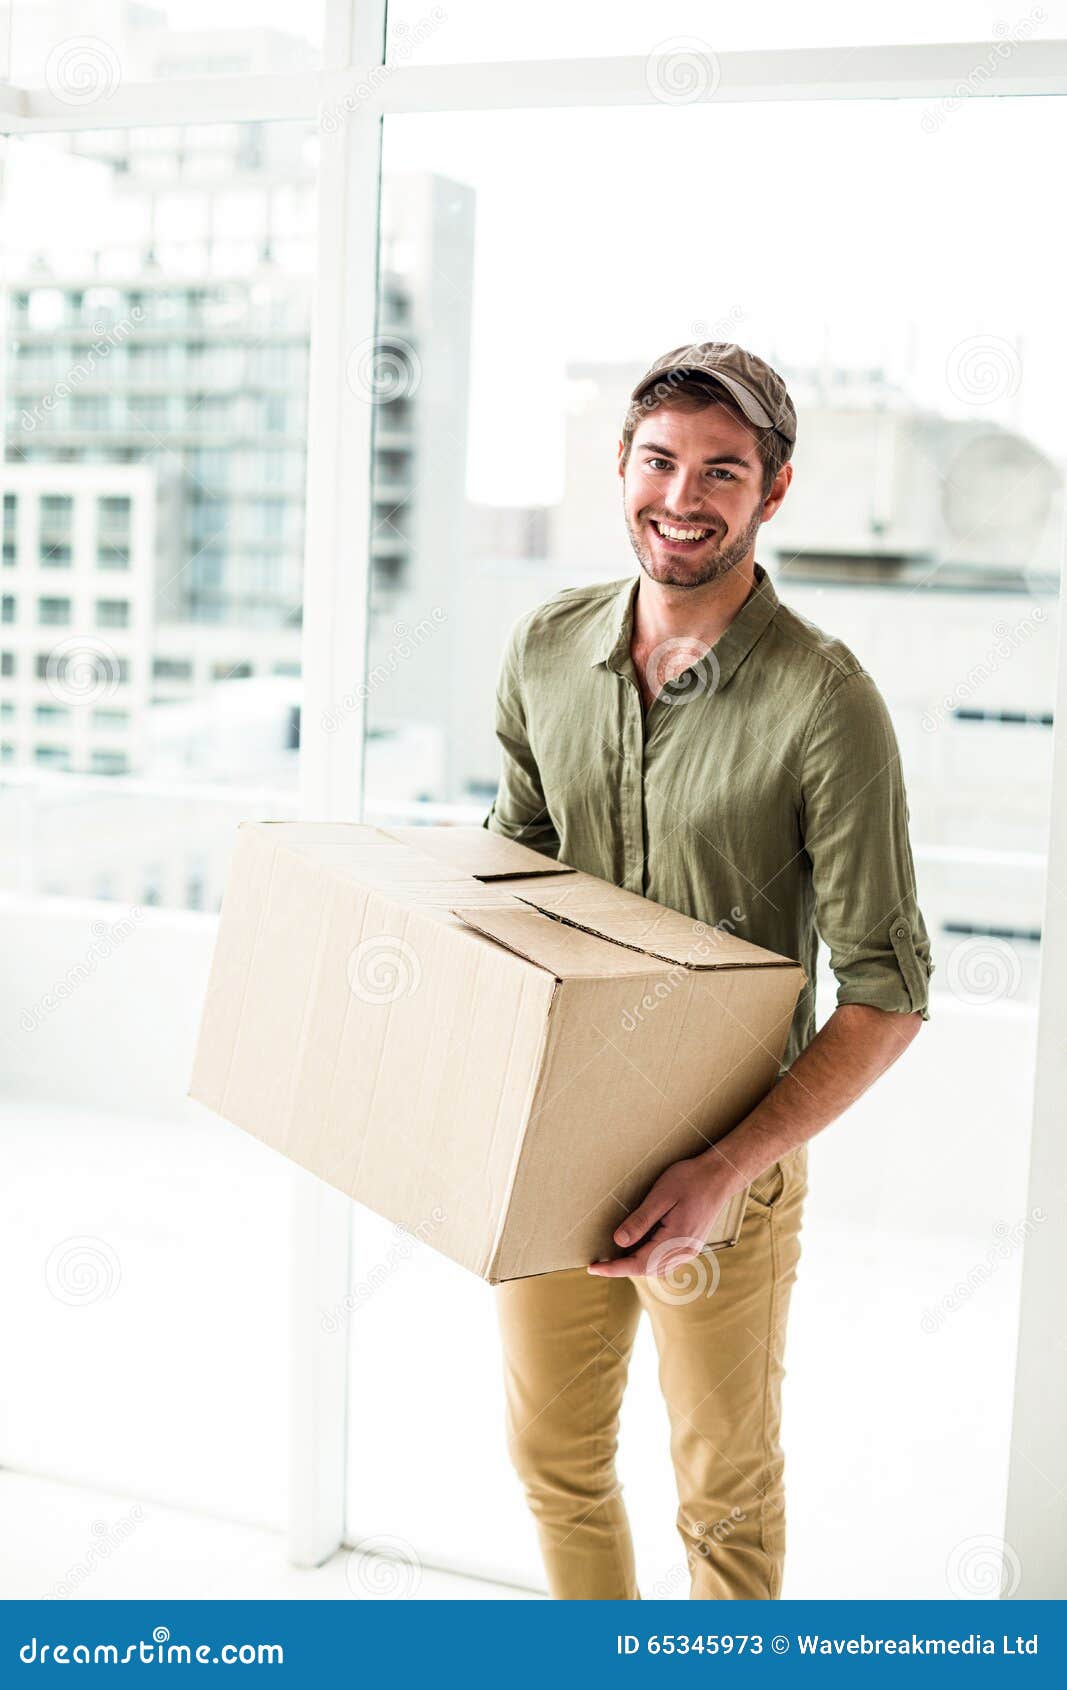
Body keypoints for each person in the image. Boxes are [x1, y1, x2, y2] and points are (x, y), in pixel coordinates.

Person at [483, 342, 933, 1600]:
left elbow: (888, 991)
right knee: (553, 1457)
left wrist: (722, 1168)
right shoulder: (542, 648)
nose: (682, 496)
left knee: (723, 1494)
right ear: (618, 467)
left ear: (771, 491)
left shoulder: (824, 700)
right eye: (658, 460)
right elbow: (508, 885)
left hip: (727, 1164)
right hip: (552, 1145)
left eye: (721, 471)